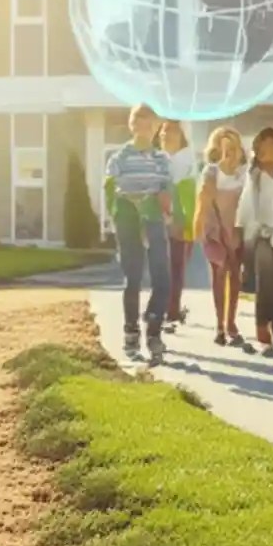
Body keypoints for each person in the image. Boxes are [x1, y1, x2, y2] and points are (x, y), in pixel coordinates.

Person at [104, 104, 174, 364]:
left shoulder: (161, 159)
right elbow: (111, 188)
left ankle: (154, 330)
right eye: (137, 121)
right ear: (131, 125)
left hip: (154, 218)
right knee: (132, 276)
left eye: (148, 122)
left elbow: (166, 189)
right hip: (128, 218)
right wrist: (124, 208)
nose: (143, 127)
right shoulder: (119, 157)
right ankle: (131, 331)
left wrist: (166, 209)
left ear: (154, 126)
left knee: (162, 277)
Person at [236, 127, 273, 357]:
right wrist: (240, 234)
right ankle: (263, 329)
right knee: (266, 284)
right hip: (262, 235)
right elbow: (246, 206)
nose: (269, 149)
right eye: (264, 144)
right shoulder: (255, 175)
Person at [195, 125, 253, 351]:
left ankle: (231, 323)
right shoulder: (211, 172)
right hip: (216, 229)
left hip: (238, 228)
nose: (230, 152)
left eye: (234, 147)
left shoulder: (245, 173)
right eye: (225, 147)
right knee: (219, 274)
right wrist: (201, 227)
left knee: (235, 276)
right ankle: (219, 325)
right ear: (217, 148)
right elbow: (204, 201)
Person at [158, 119, 197, 332]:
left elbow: (189, 194)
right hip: (160, 219)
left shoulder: (186, 160)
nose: (165, 135)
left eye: (171, 131)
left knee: (176, 267)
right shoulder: (158, 158)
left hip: (181, 220)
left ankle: (171, 311)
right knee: (162, 267)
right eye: (163, 131)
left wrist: (181, 219)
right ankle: (166, 308)